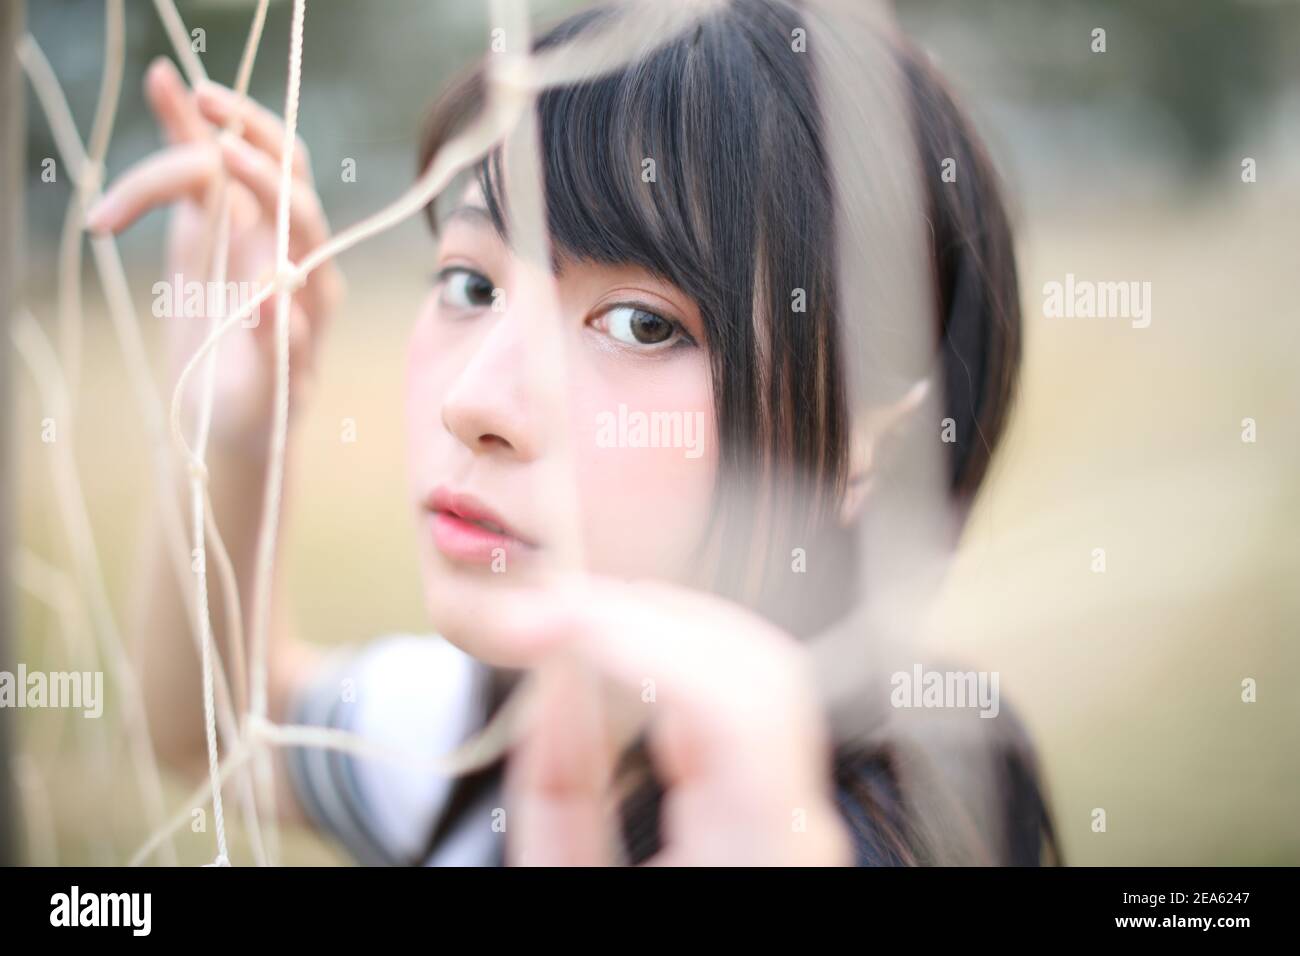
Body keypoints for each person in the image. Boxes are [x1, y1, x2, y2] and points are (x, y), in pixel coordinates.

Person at [93, 0, 1058, 866]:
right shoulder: (492, 730)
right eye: (471, 285)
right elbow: (217, 733)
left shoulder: (875, 827)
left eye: (642, 324)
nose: (475, 402)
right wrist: (235, 435)